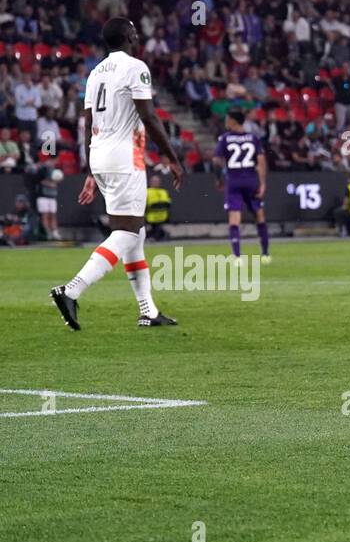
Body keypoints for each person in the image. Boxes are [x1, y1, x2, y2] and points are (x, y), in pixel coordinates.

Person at [49, 17, 184, 331]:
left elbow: (86, 122)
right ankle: (72, 290)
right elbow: (148, 115)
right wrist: (172, 158)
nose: (138, 33)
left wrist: (90, 171)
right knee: (126, 232)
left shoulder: (95, 73)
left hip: (100, 155)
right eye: (134, 30)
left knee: (135, 234)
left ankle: (148, 311)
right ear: (128, 36)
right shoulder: (135, 67)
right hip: (125, 158)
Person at [213, 109, 270, 261]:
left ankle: (237, 256)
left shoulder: (225, 138)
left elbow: (217, 161)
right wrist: (262, 183)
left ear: (232, 121)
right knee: (259, 214)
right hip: (251, 179)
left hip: (233, 180)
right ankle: (265, 254)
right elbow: (261, 162)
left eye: (227, 119)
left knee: (234, 218)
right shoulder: (253, 138)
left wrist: (219, 179)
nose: (226, 122)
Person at [145, 173, 171, 239]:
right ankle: (155, 235)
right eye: (154, 181)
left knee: (157, 228)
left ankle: (157, 235)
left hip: (162, 216)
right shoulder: (147, 191)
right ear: (150, 182)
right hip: (150, 216)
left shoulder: (163, 192)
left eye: (157, 181)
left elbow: (167, 203)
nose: (156, 183)